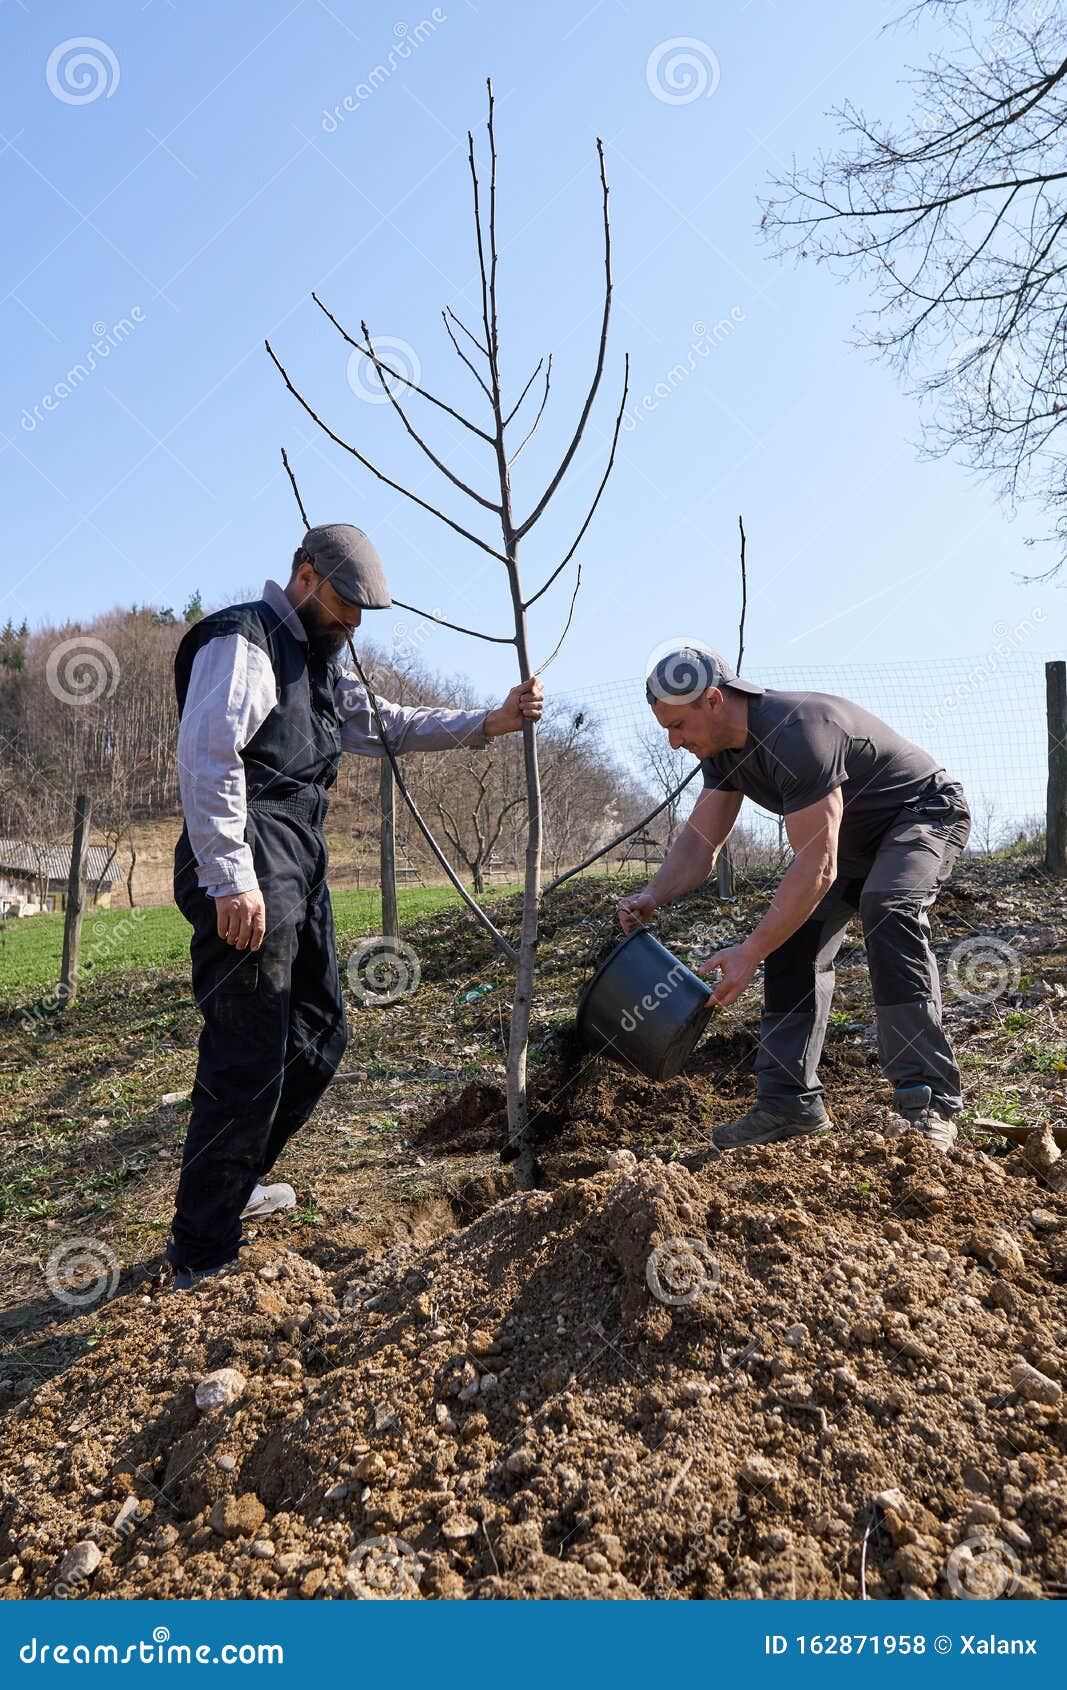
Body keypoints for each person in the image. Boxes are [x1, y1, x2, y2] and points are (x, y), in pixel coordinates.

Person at [168, 523, 542, 1287]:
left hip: (298, 855)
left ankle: (229, 1191)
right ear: (304, 576)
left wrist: (488, 723)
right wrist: (230, 879)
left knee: (318, 1030)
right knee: (247, 1053)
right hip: (249, 847)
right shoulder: (244, 641)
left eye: (363, 613)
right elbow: (207, 757)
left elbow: (388, 723)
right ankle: (200, 1253)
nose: (354, 625)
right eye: (345, 605)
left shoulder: (319, 663)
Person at [617, 644, 970, 1155]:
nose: (674, 743)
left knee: (887, 907)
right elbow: (698, 845)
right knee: (792, 940)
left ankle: (929, 1099)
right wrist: (653, 895)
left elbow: (817, 867)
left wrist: (748, 953)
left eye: (677, 726)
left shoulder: (797, 731)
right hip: (850, 845)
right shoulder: (725, 755)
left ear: (714, 700)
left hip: (921, 814)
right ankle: (789, 1104)